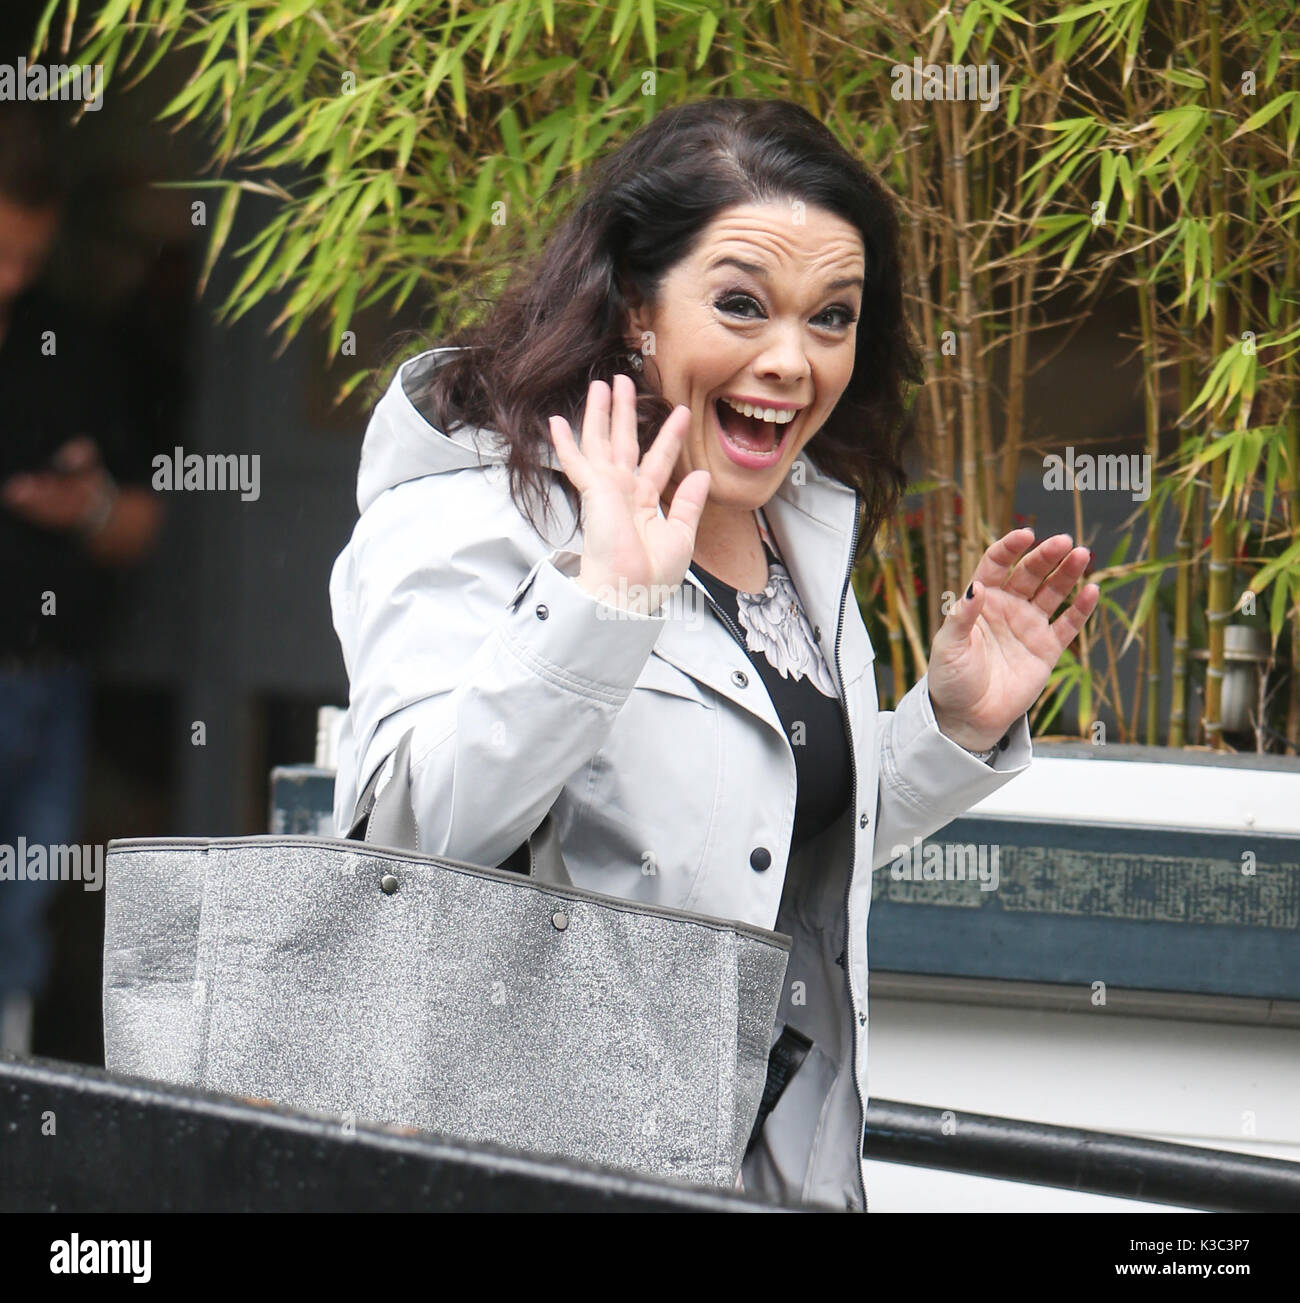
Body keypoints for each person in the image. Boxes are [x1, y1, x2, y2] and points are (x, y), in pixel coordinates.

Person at [328, 97, 1098, 1210]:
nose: (791, 361)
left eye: (831, 318)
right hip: (528, 1166)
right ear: (635, 306)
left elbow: (737, 842)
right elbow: (403, 836)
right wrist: (601, 607)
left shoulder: (799, 523)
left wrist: (954, 724)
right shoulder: (477, 501)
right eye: (740, 305)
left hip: (761, 1164)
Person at [0, 104, 163, 1053]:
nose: (12, 279)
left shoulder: (67, 346)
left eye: (28, 257)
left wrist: (87, 507)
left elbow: (142, 518)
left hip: (45, 680)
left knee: (21, 918)